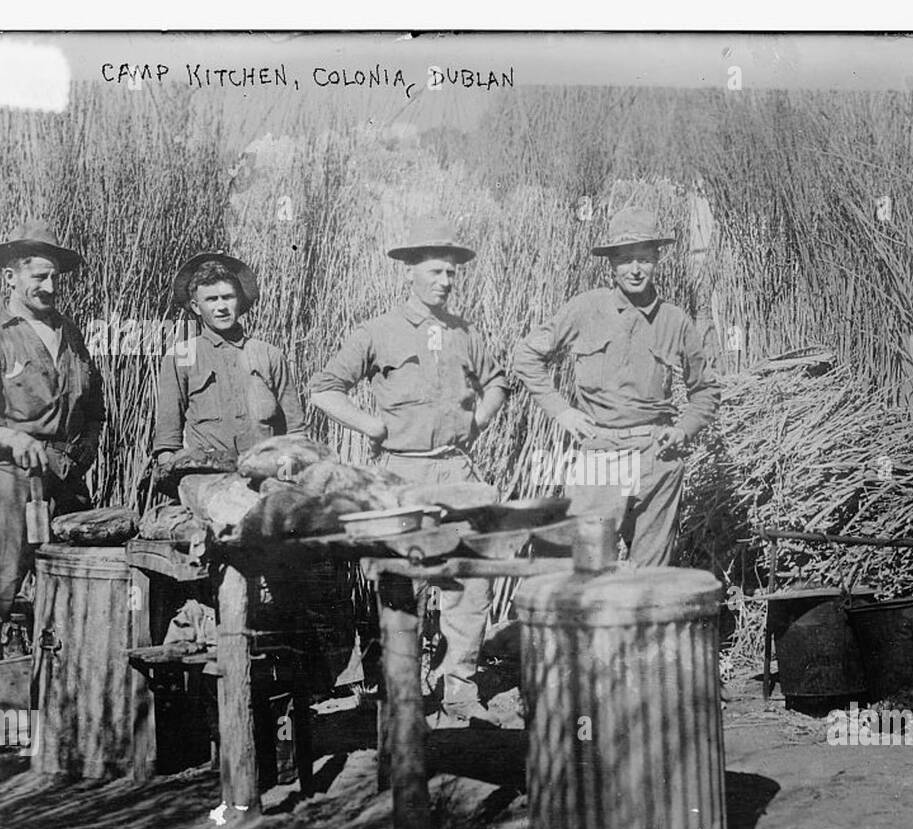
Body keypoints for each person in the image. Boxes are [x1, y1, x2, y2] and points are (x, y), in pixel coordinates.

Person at [309, 216, 508, 728]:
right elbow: (326, 389)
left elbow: (499, 382)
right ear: (410, 274)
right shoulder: (378, 332)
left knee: (470, 582)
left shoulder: (466, 333)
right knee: (405, 585)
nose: (446, 281)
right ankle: (403, 691)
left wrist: (476, 422)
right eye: (437, 272)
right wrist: (371, 425)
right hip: (401, 475)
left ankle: (459, 686)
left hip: (457, 471)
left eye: (452, 274)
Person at [512, 206, 720, 566]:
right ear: (611, 264)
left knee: (649, 579)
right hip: (599, 455)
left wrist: (683, 431)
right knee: (590, 572)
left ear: (658, 259)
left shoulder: (675, 321)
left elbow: (705, 391)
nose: (635, 269)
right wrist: (561, 412)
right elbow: (525, 356)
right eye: (625, 260)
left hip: (656, 457)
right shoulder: (585, 309)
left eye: (644, 258)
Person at [0, 220, 105, 706]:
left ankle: (61, 717)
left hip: (65, 482)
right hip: (6, 483)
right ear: (11, 276)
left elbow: (95, 408)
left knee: (71, 591)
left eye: (54, 278)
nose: (48, 287)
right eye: (38, 278)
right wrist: (8, 435)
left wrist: (81, 456)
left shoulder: (70, 334)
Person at [152, 252, 305, 464]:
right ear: (197, 307)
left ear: (239, 300)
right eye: (212, 299)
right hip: (204, 478)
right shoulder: (181, 357)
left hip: (263, 473)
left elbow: (295, 432)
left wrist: (285, 482)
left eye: (228, 297)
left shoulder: (270, 355)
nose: (221, 307)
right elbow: (167, 443)